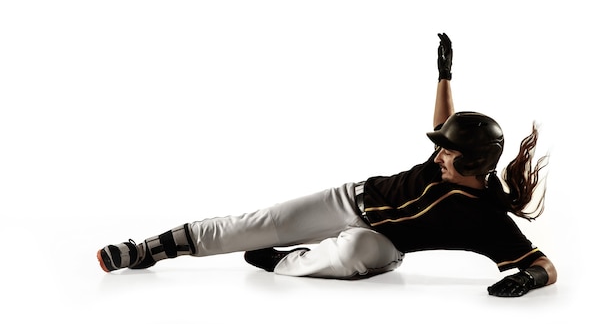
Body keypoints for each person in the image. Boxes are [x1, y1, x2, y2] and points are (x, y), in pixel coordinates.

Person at [97, 33, 557, 297]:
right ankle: (146, 250)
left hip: (382, 244)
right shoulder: (445, 163)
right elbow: (444, 124)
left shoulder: (487, 218)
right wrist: (444, 76)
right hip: (350, 199)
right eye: (440, 147)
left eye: (448, 152)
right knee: (251, 224)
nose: (437, 154)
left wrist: (529, 280)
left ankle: (284, 264)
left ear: (475, 163)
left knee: (354, 251)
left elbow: (545, 265)